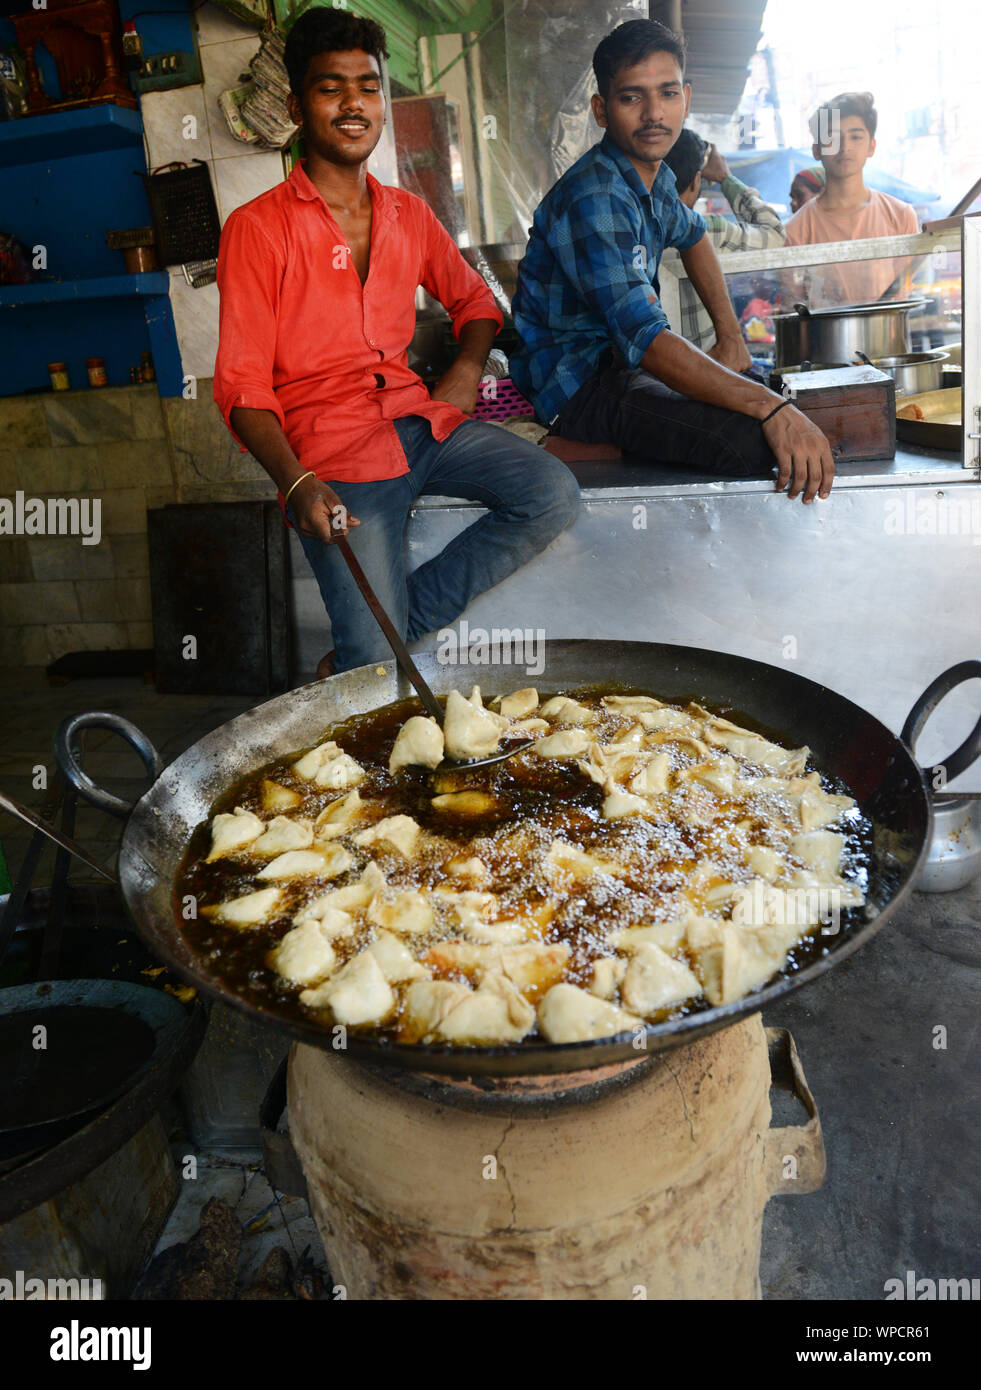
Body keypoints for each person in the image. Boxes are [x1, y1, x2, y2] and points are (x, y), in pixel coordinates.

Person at [212, 9, 579, 677]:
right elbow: (241, 384)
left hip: (420, 425)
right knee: (376, 673)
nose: (354, 103)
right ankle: (368, 651)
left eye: (368, 85)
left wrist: (466, 370)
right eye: (331, 87)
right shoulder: (257, 229)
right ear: (297, 105)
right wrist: (295, 482)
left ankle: (376, 637)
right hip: (335, 456)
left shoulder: (407, 213)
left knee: (550, 493)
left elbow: (474, 303)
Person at [510, 19, 834, 503]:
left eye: (666, 94)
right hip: (580, 385)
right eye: (631, 97)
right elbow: (648, 341)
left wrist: (731, 339)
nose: (653, 114)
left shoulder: (655, 178)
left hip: (626, 367)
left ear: (686, 97)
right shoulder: (595, 197)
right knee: (750, 441)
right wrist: (769, 409)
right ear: (601, 109)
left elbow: (695, 235)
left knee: (763, 395)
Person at [784, 91, 918, 305]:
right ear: (817, 150)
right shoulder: (795, 232)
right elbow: (795, 308)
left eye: (856, 137)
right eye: (833, 138)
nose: (845, 147)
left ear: (871, 147)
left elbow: (901, 297)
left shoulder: (900, 216)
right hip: (824, 338)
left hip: (888, 336)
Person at [660, 129, 784, 352]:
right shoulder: (708, 230)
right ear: (697, 180)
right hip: (706, 369)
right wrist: (726, 179)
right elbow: (774, 234)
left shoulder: (627, 225)